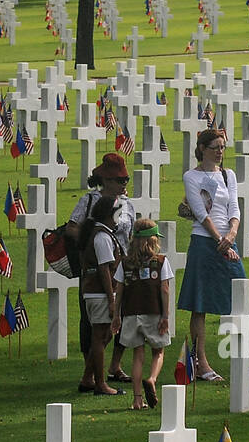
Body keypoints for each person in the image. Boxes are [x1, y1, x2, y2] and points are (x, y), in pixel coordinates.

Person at [177, 128, 249, 380]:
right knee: (200, 304)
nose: (220, 152)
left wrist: (232, 235)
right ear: (202, 148)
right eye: (216, 147)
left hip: (228, 242)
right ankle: (201, 362)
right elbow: (199, 212)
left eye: (223, 147)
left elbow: (234, 208)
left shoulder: (228, 175)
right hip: (204, 243)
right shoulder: (191, 176)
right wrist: (220, 240)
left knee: (243, 297)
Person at [69, 153, 135, 386]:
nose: (124, 184)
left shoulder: (127, 204)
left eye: (126, 179)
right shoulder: (90, 200)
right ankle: (92, 372)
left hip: (122, 267)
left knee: (122, 318)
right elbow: (73, 228)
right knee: (94, 324)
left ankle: (113, 365)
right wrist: (96, 245)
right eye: (119, 180)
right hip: (97, 270)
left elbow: (130, 234)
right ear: (105, 179)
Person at [113, 219, 173, 409]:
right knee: (158, 351)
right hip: (154, 312)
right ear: (153, 240)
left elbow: (119, 291)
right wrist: (165, 316)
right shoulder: (161, 261)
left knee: (138, 355)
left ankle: (137, 399)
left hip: (131, 314)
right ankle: (153, 379)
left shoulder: (125, 263)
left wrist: (116, 316)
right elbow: (164, 289)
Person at [78, 195, 125, 395]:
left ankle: (88, 379)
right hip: (100, 293)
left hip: (96, 293)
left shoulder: (101, 233)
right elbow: (104, 270)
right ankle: (100, 383)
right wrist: (112, 299)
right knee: (99, 337)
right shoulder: (102, 237)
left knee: (104, 335)